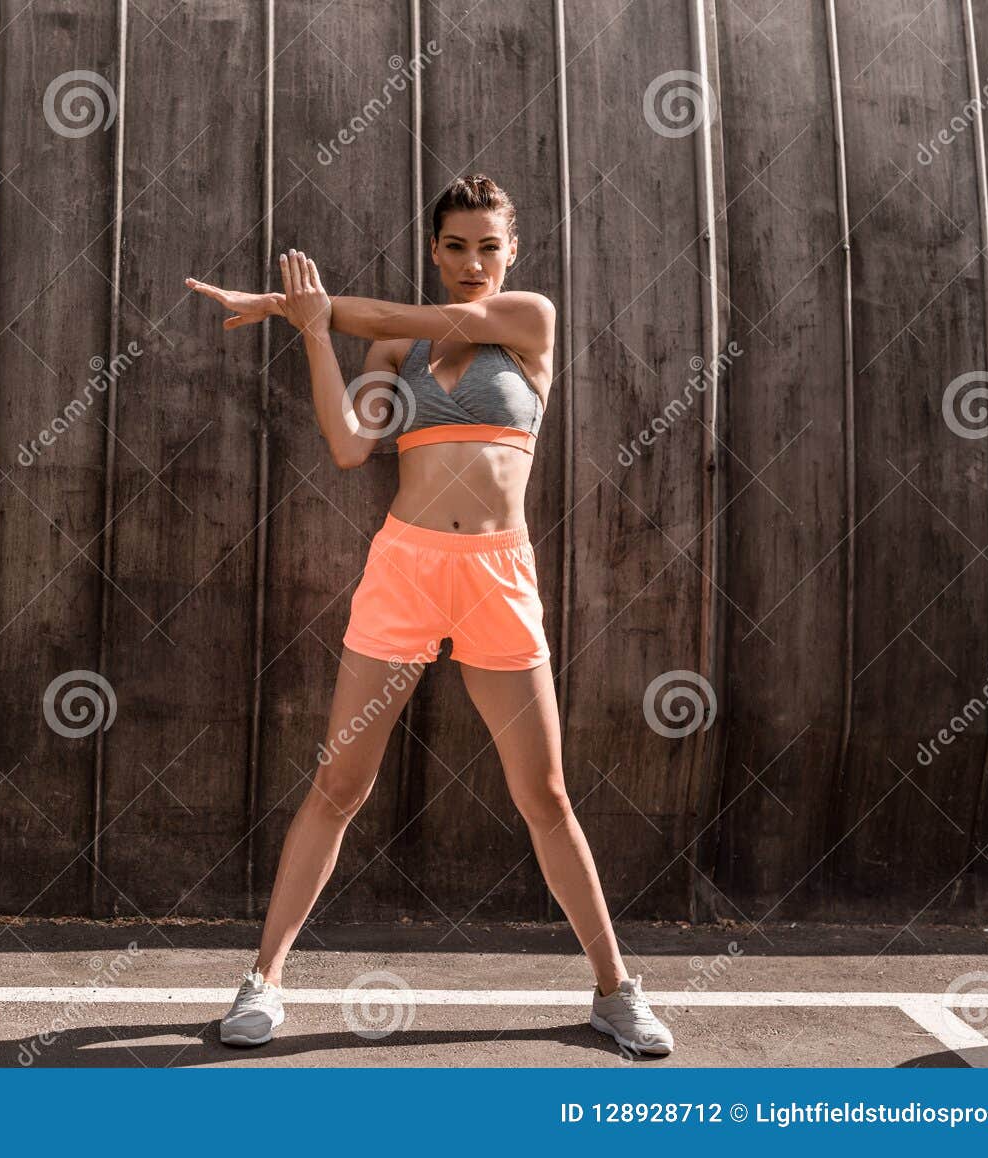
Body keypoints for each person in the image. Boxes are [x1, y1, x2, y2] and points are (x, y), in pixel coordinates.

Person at [184, 174, 674, 1058]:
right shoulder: (389, 352)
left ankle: (615, 991)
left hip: (498, 576)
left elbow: (392, 319)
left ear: (511, 252)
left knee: (547, 796)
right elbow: (347, 444)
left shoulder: (527, 320)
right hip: (406, 569)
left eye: (489, 245)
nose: (472, 262)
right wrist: (310, 332)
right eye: (455, 246)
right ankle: (264, 982)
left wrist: (294, 302)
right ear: (435, 249)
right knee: (341, 785)